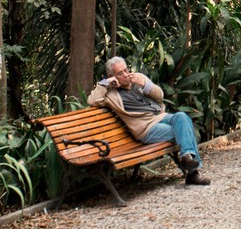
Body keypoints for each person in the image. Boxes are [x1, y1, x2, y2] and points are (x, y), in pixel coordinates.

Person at [87, 56, 210, 185]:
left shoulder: (138, 79)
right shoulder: (111, 94)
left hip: (160, 116)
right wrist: (106, 83)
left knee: (182, 117)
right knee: (183, 130)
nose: (125, 75)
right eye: (120, 73)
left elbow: (160, 95)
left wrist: (145, 84)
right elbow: (91, 100)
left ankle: (186, 157)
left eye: (126, 70)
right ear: (111, 76)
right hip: (147, 128)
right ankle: (193, 173)